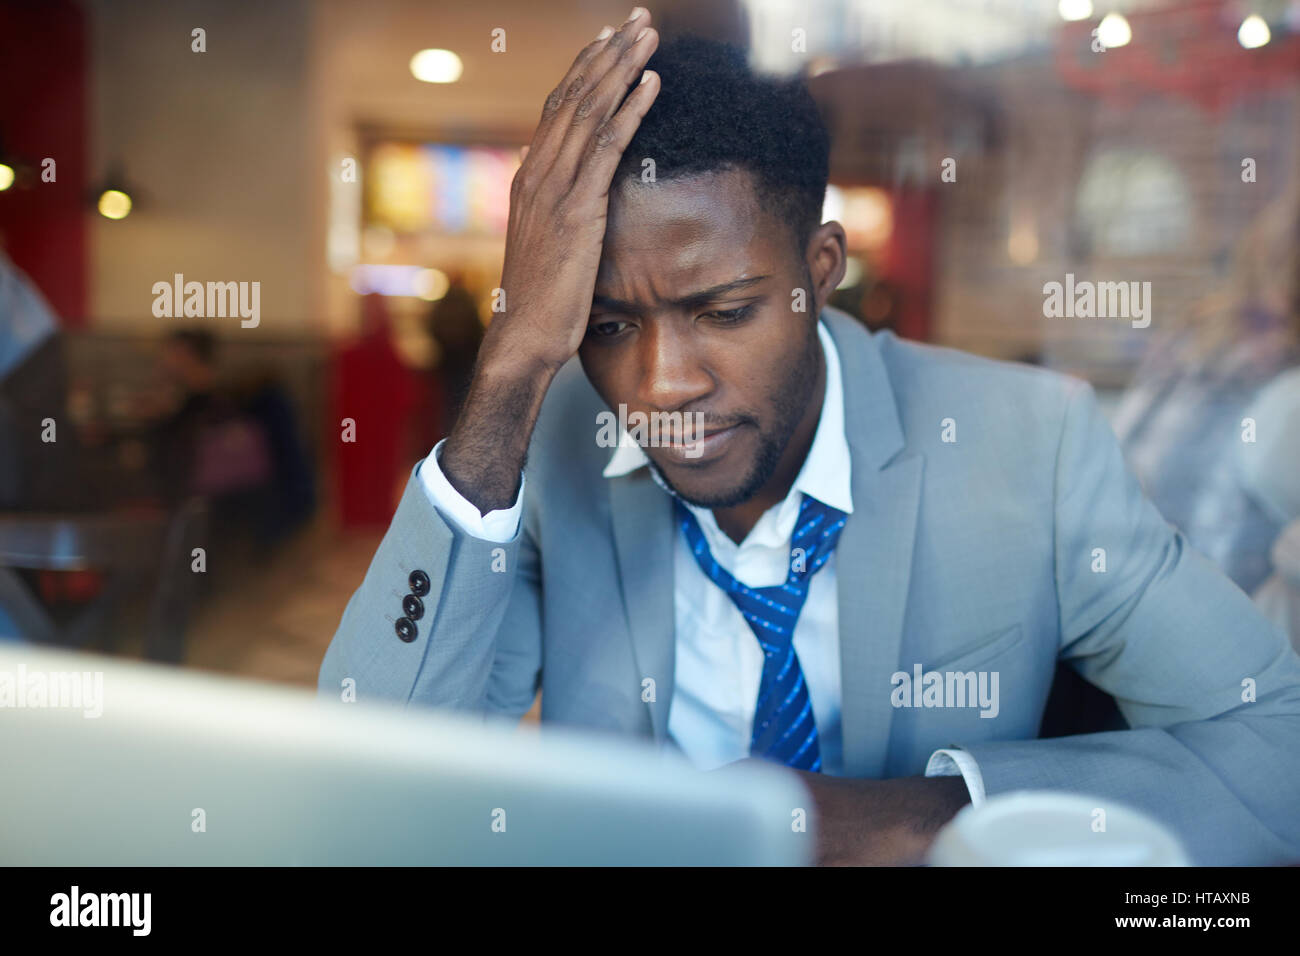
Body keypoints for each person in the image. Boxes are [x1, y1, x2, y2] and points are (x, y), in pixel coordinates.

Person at [319, 12, 1300, 865]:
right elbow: (363, 789)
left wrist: (920, 816)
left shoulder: (1028, 446)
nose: (661, 385)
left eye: (725, 309)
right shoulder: (553, 434)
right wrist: (508, 372)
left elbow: (1278, 739)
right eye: (608, 324)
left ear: (819, 269)